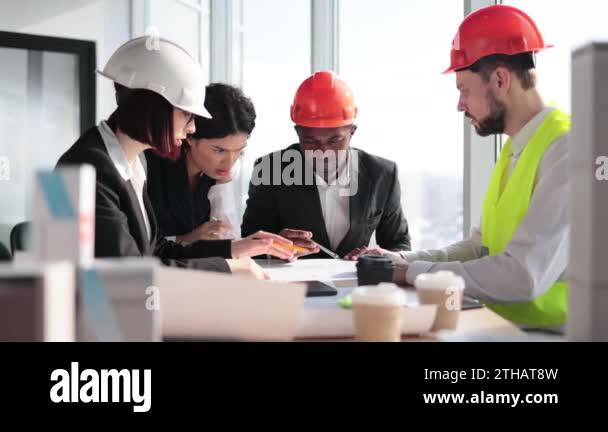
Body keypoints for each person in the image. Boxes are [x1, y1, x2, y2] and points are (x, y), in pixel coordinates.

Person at [349, 5, 570, 330]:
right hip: (503, 327)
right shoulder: (515, 148)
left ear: (500, 80)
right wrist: (403, 261)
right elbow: (478, 248)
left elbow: (523, 276)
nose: (460, 105)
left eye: (464, 90)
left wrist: (411, 273)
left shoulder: (567, 149)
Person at [56, 37, 294, 279]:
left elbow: (157, 252)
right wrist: (228, 269)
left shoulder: (132, 163)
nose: (192, 128)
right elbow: (127, 275)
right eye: (185, 115)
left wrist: (235, 249)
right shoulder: (89, 168)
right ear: (154, 107)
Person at [241, 70, 411, 259]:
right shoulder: (270, 170)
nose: (323, 153)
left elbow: (399, 245)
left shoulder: (382, 175)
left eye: (335, 141)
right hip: (292, 285)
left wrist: (379, 256)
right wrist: (273, 247)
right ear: (298, 133)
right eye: (311, 142)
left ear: (352, 132)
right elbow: (248, 247)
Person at [146, 83, 255, 243]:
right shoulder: (150, 167)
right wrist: (188, 239)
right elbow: (137, 247)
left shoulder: (216, 174)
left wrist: (223, 185)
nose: (230, 162)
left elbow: (227, 238)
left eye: (239, 151)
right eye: (219, 150)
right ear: (190, 135)